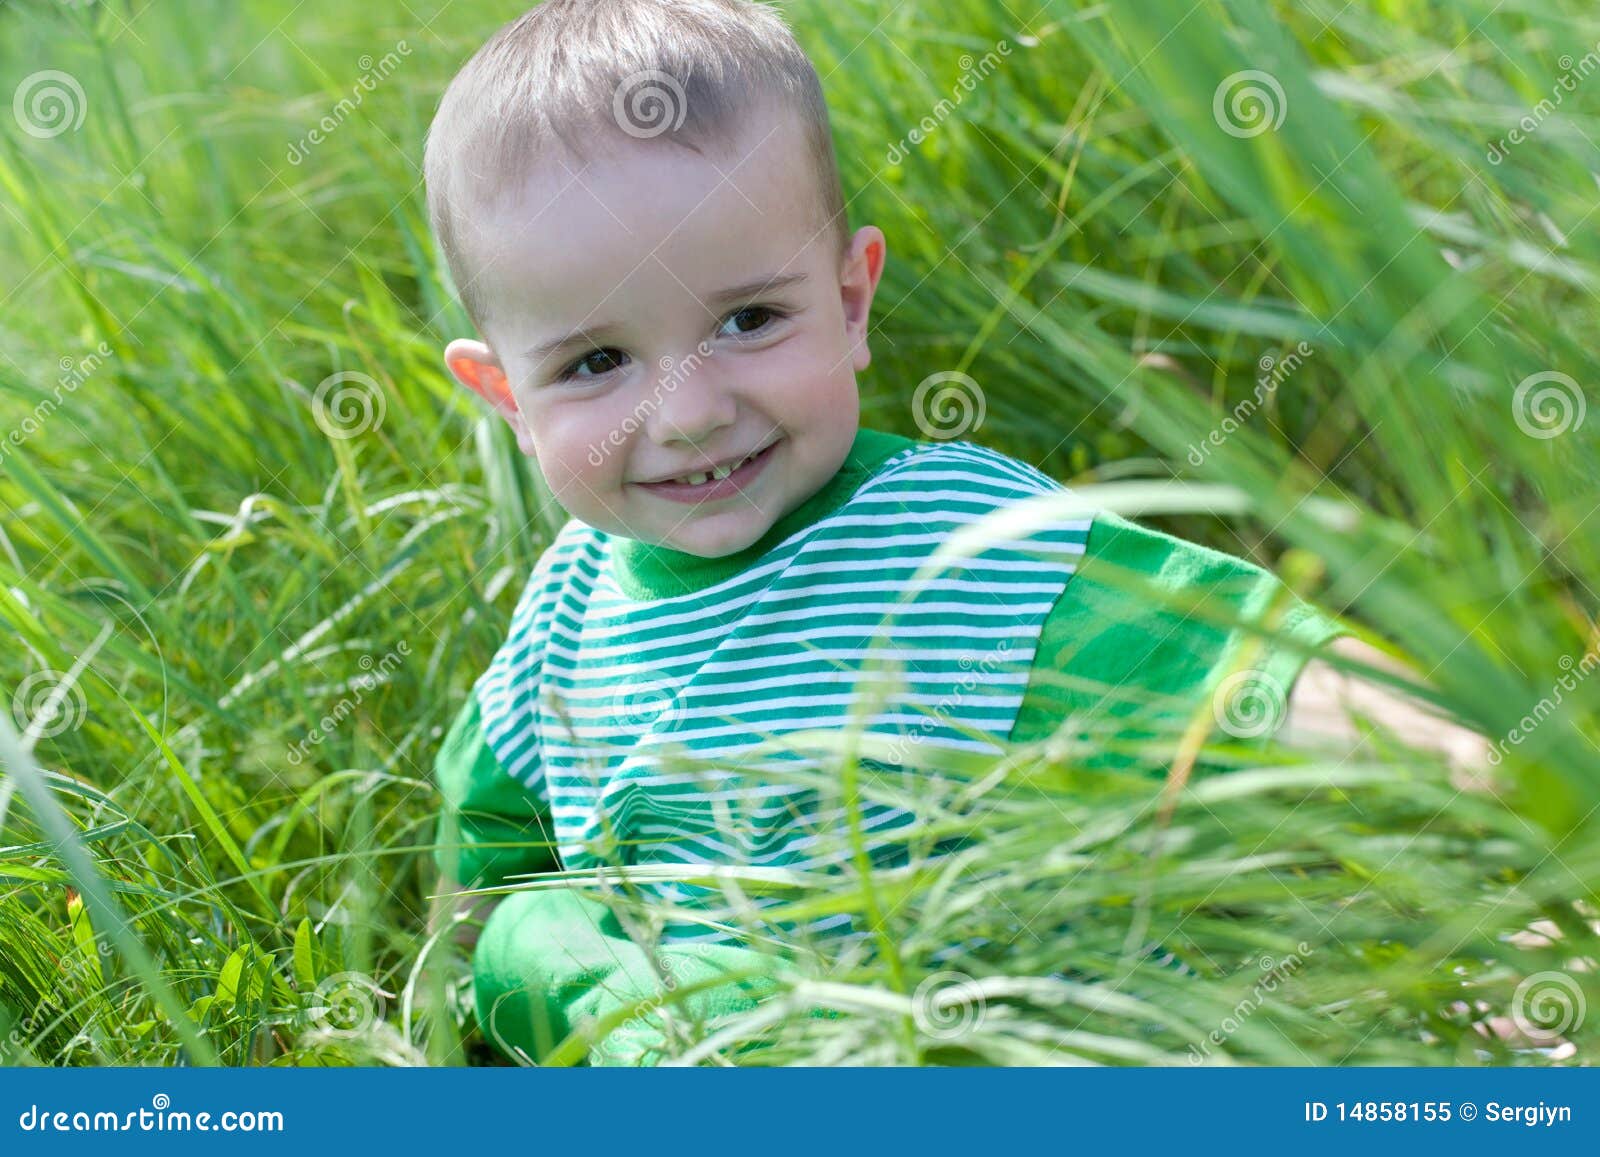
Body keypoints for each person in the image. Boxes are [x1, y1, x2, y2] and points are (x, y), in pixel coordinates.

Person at [420, 0, 1486, 1065]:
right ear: (507, 395)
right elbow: (492, 848)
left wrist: (1482, 766)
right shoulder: (565, 615)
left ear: (850, 301)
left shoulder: (943, 541)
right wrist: (466, 984)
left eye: (747, 321)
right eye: (597, 363)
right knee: (534, 938)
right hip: (697, 1023)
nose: (692, 411)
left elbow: (1233, 662)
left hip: (976, 1037)